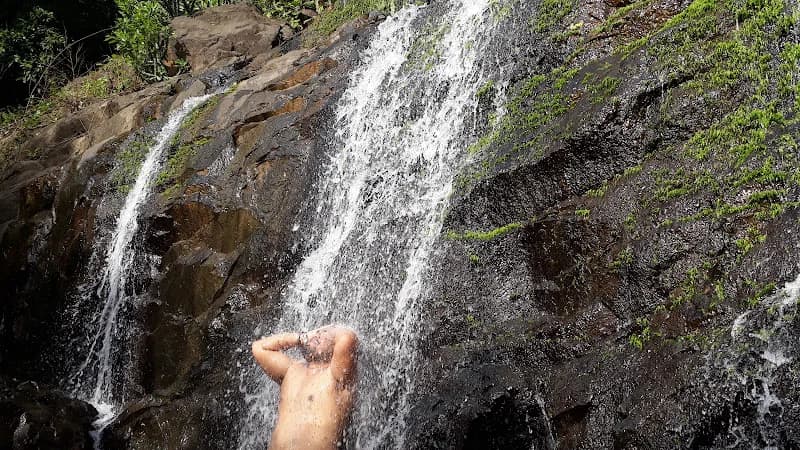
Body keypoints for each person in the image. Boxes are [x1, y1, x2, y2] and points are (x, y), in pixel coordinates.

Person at [252, 325, 359, 450]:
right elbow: (259, 347)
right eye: (315, 332)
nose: (315, 335)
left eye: (323, 333)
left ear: (334, 345)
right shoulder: (291, 370)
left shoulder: (337, 377)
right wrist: (299, 338)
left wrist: (329, 329)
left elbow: (348, 338)